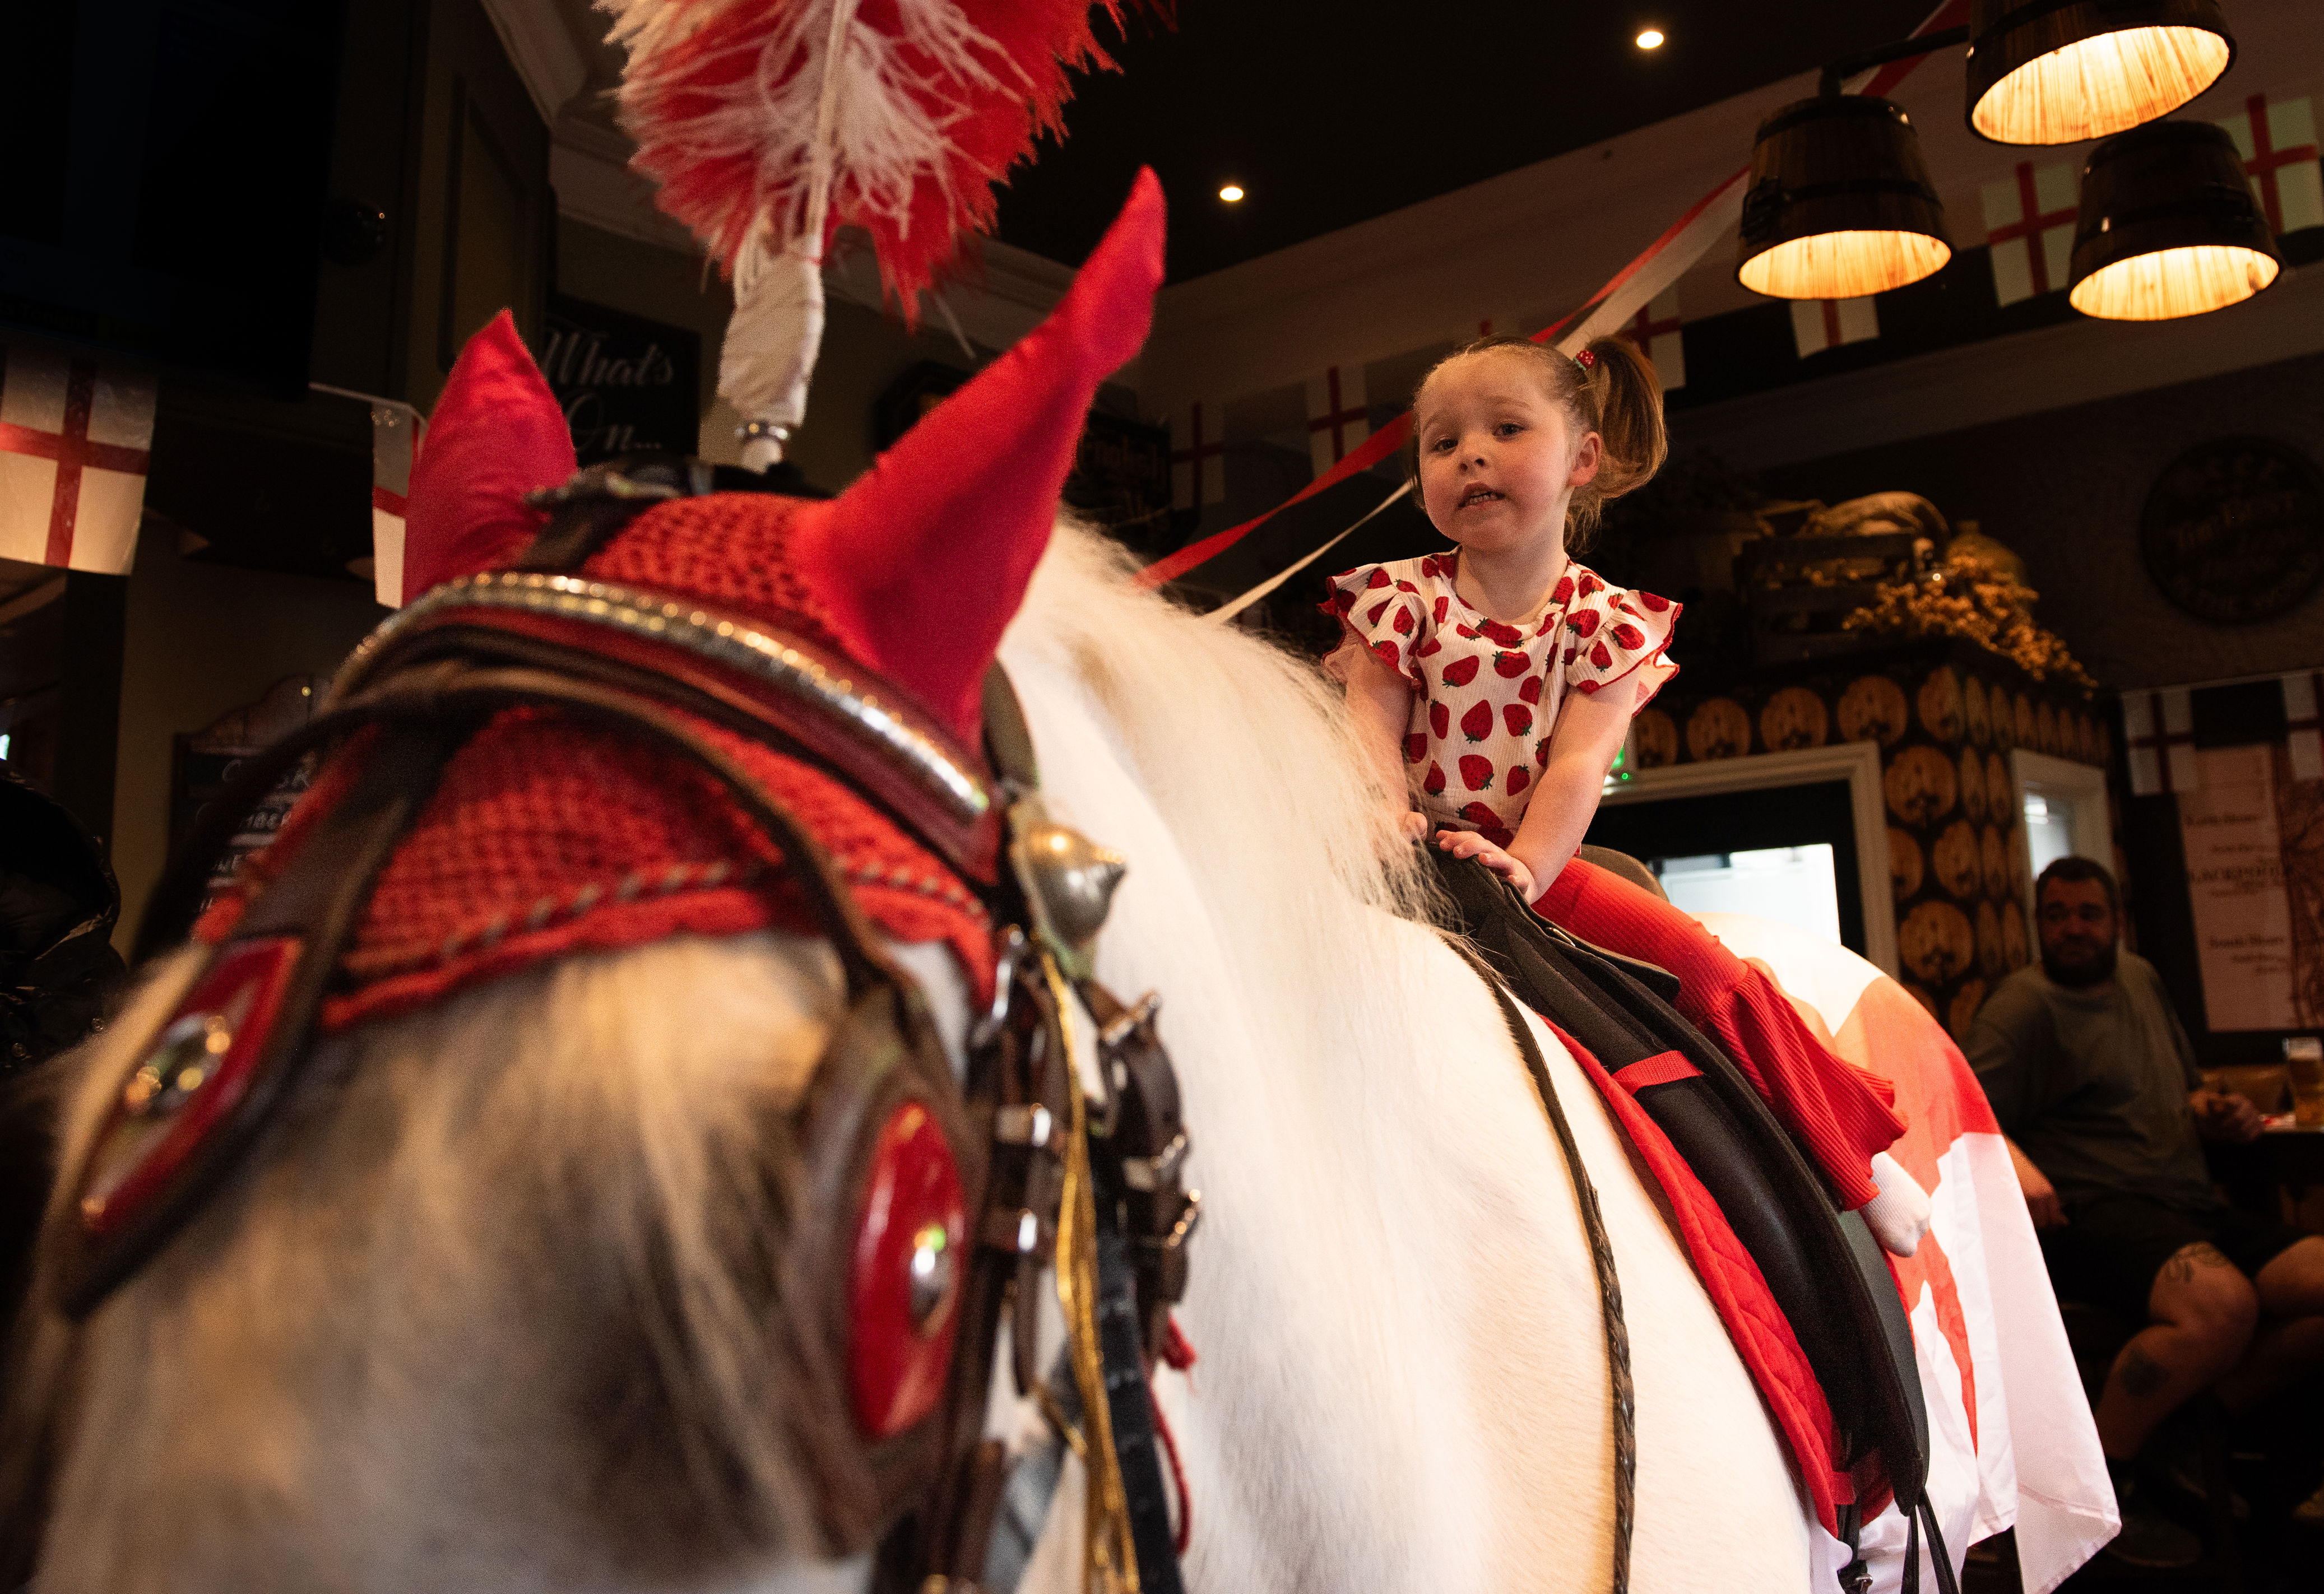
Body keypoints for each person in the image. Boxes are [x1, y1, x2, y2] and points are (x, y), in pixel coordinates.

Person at [1969, 855, 2324, 1567]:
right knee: (2221, 1305)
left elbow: (2184, 1090)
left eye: (2087, 913)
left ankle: (2194, 1427)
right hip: (2094, 1211)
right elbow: (1962, 1111)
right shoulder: (2022, 1006)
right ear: (2039, 924)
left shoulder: (2140, 979)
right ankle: (2102, 1488)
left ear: (2117, 922)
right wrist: (2016, 1157)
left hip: (2187, 1201)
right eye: (2056, 915)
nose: (2072, 928)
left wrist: (2214, 1112)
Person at [1321, 333, 1674, 903]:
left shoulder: (1606, 626)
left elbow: (1578, 764)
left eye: (1507, 429)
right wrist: (1386, 817)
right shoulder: (1398, 601)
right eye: (1442, 442)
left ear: (1582, 458)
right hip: (1408, 862)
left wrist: (1525, 867)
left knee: (1698, 966)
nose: (1470, 453)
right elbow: (1369, 733)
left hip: (1539, 869)